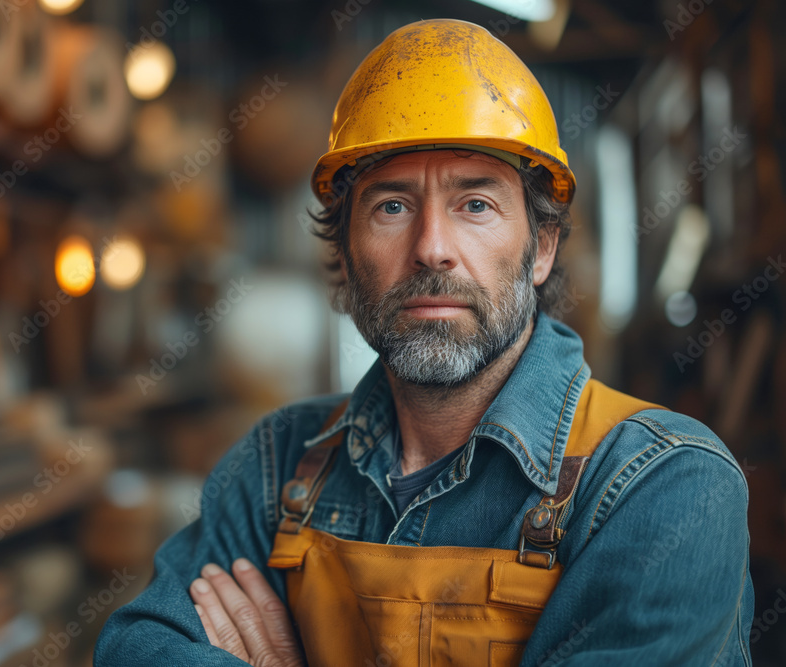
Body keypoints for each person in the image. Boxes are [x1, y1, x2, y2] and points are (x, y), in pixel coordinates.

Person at [94, 18, 753, 667]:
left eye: (475, 205)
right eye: (392, 206)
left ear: (542, 247)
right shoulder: (275, 466)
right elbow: (133, 646)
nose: (432, 248)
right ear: (346, 252)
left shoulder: (664, 486)